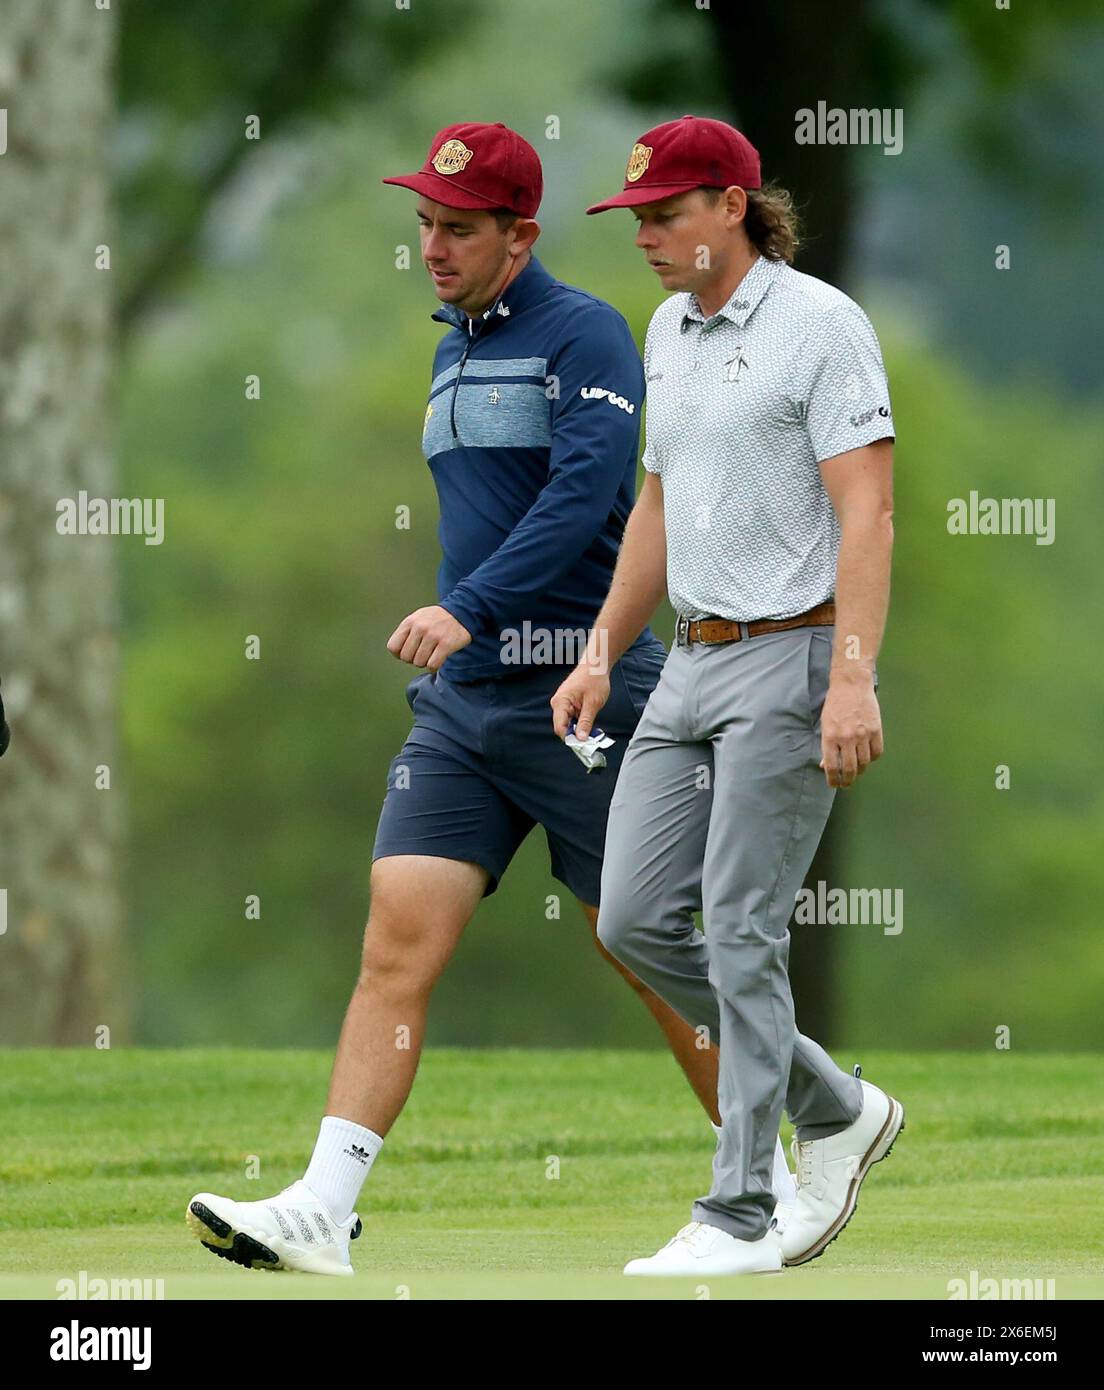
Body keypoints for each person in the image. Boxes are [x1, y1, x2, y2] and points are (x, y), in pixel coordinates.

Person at [184, 121, 796, 1276]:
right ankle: (324, 1206)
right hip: (464, 709)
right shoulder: (452, 349)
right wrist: (469, 633)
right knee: (394, 944)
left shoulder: (590, 335)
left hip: (585, 693)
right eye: (423, 224)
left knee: (654, 949)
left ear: (520, 235)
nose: (431, 245)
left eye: (457, 229)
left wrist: (468, 603)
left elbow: (584, 497)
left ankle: (766, 1178)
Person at [552, 115, 904, 1277]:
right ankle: (840, 1103)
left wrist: (852, 679)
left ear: (732, 207)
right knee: (634, 916)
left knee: (743, 926)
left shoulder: (822, 326)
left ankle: (741, 1207)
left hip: (794, 659)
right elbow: (655, 505)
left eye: (664, 214)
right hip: (689, 662)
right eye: (637, 218)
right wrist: (603, 647)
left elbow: (869, 513)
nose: (644, 234)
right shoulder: (666, 328)